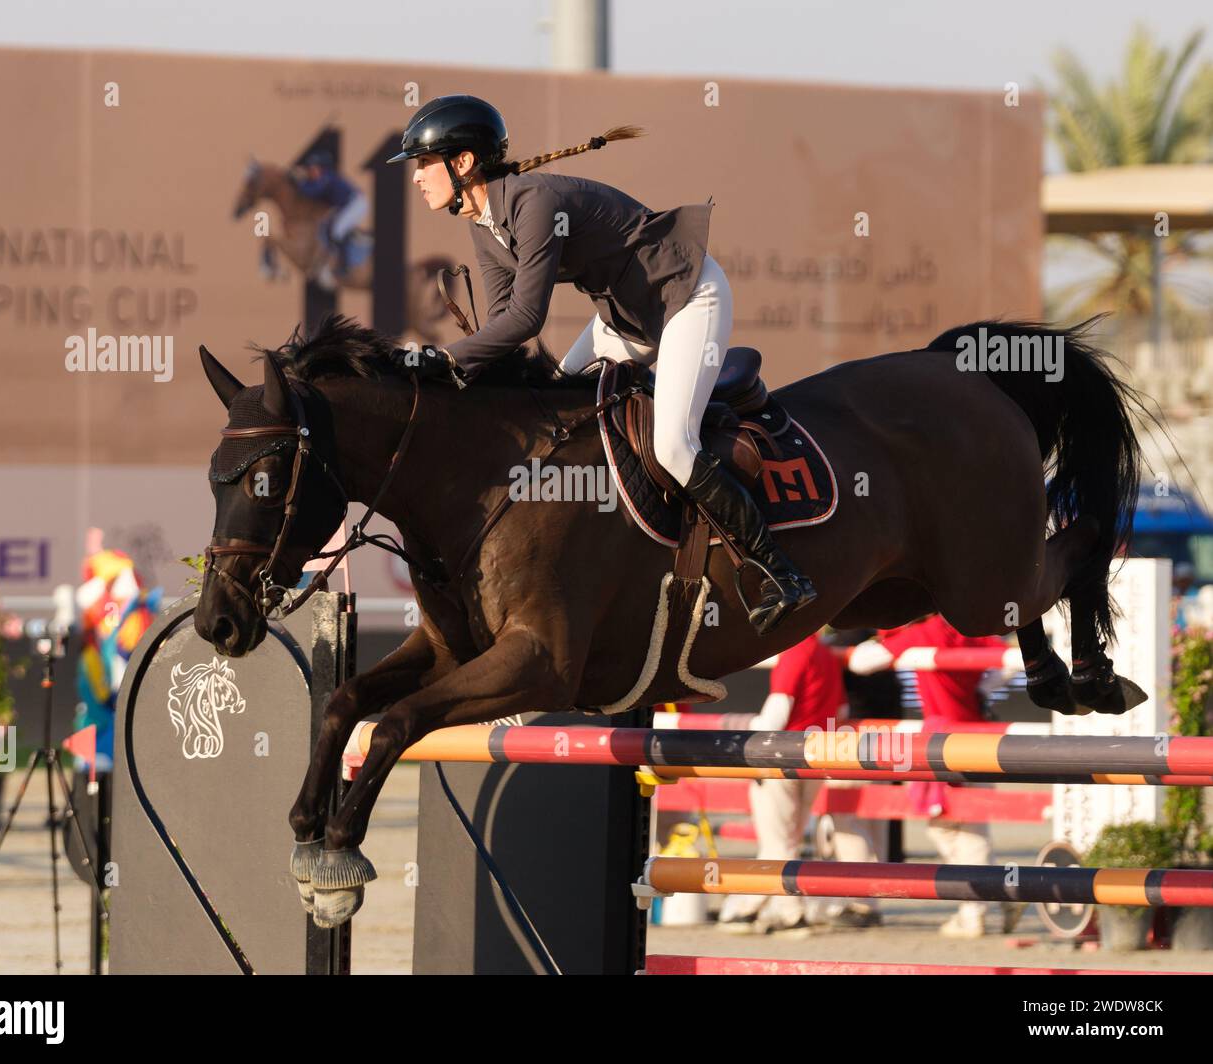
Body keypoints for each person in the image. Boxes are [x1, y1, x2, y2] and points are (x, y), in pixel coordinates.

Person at [385, 94, 814, 634]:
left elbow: (524, 318)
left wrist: (442, 358)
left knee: (674, 447)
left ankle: (777, 570)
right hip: (625, 320)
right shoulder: (483, 223)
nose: (418, 177)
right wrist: (452, 375)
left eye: (424, 164)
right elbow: (499, 327)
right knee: (560, 411)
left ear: (463, 162)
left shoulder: (534, 202)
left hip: (686, 298)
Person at [847, 614, 1018, 938]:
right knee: (962, 827)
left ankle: (976, 911)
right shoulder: (970, 625)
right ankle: (997, 896)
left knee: (957, 829)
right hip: (979, 736)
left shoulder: (924, 632)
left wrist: (882, 641)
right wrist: (982, 687)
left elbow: (861, 663)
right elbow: (1009, 660)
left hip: (942, 742)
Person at [718, 631, 882, 933]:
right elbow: (841, 711)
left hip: (780, 755)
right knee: (787, 839)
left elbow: (777, 713)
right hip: (814, 757)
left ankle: (788, 913)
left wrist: (742, 732)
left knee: (777, 840)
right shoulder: (824, 654)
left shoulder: (794, 651)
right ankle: (748, 908)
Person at [290, 152, 371, 283]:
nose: (311, 171)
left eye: (313, 168)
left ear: (321, 168)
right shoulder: (322, 178)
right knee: (325, 226)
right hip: (345, 205)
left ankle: (344, 266)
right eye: (309, 168)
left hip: (356, 203)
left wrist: (298, 182)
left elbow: (312, 192)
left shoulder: (326, 177)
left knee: (337, 230)